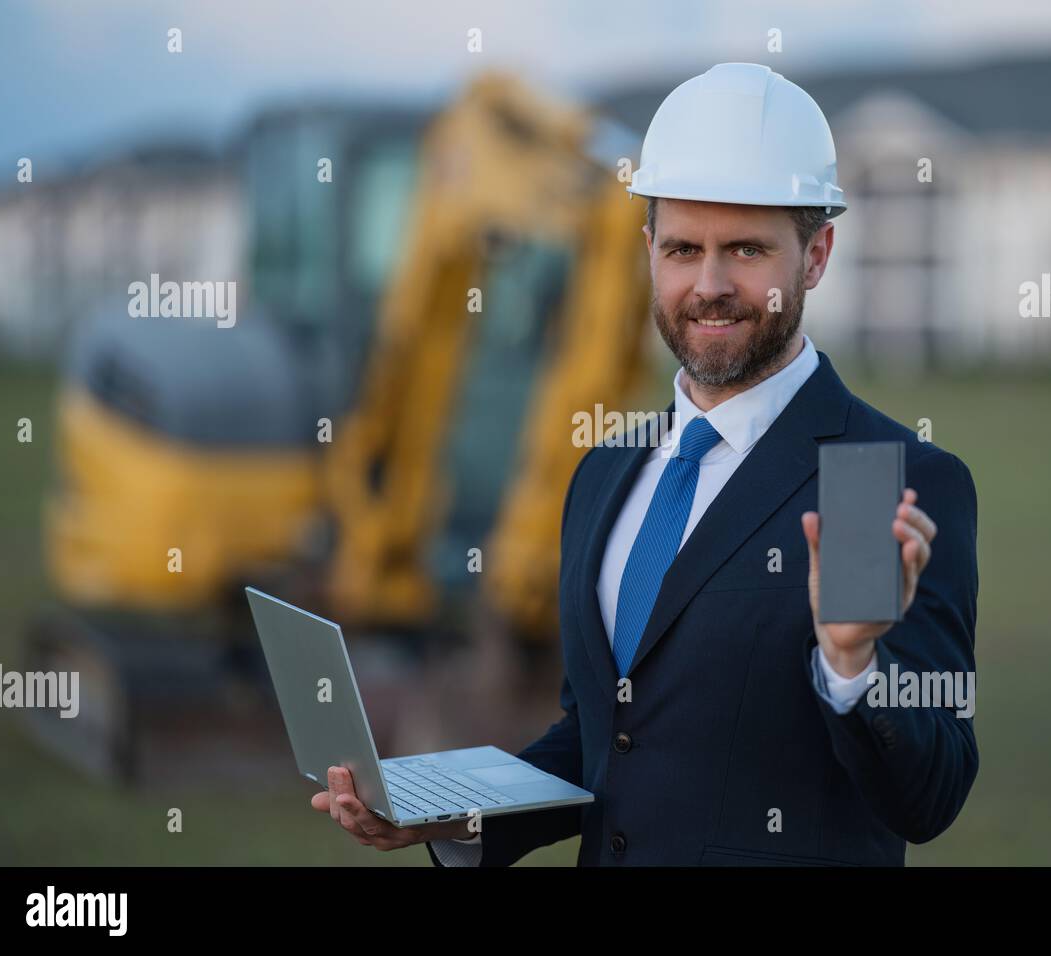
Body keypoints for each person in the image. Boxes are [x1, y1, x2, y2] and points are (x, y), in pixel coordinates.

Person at [312, 62, 978, 865]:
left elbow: (928, 795)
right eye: (683, 248)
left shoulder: (874, 479)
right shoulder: (604, 473)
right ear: (648, 251)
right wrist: (450, 815)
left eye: (746, 250)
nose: (711, 284)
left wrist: (850, 665)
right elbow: (603, 741)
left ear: (817, 254)